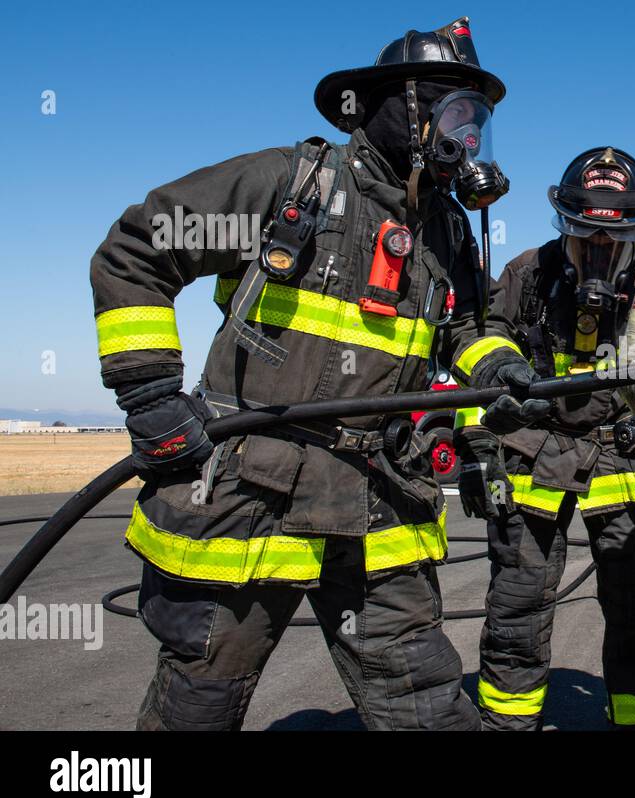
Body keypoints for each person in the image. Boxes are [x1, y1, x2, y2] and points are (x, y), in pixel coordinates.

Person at [88, 19, 507, 730]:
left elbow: (468, 331)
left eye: (477, 121)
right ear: (401, 108)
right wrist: (153, 398)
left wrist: (505, 369)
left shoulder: (449, 231)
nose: (466, 137)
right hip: (250, 496)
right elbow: (137, 250)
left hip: (378, 498)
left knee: (427, 705)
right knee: (201, 700)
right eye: (454, 113)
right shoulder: (292, 184)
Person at [448, 147, 635, 730]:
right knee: (516, 608)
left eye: (616, 235)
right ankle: (508, 724)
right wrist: (477, 451)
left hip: (625, 458)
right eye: (586, 234)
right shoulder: (529, 271)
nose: (600, 248)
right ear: (565, 222)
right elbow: (481, 349)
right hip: (535, 452)